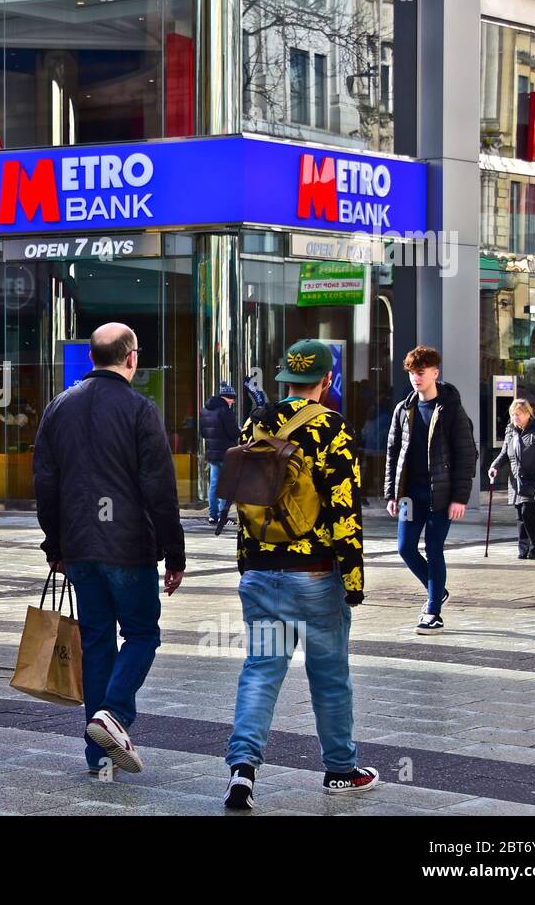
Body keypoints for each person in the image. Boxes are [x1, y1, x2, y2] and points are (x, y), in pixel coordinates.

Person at [223, 339, 376, 810]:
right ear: (326, 381)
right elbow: (344, 510)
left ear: (286, 380)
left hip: (263, 573)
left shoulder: (255, 422)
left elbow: (248, 500)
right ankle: (340, 770)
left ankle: (243, 771)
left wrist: (247, 563)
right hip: (314, 576)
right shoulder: (334, 428)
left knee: (261, 672)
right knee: (329, 676)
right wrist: (353, 581)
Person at [33, 322, 185, 777]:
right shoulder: (140, 410)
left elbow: (45, 483)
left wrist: (54, 545)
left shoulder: (59, 407)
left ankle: (99, 755)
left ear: (93, 358)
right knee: (141, 634)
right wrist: (173, 553)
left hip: (79, 548)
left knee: (97, 641)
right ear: (131, 358)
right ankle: (113, 715)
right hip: (129, 548)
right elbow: (160, 488)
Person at [384, 346, 477, 635]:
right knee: (405, 548)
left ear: (435, 373)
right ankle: (436, 589)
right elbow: (393, 452)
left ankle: (433, 611)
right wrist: (391, 494)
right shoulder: (404, 409)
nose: (415, 377)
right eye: (412, 372)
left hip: (441, 493)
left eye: (421, 372)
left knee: (434, 549)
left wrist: (460, 497)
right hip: (411, 494)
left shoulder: (451, 410)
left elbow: (466, 454)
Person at [488, 399, 535, 559]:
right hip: (516, 479)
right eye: (513, 414)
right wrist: (494, 466)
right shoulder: (510, 432)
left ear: (528, 414)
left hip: (534, 478)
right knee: (520, 516)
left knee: (527, 511)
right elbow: (504, 455)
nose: (515, 417)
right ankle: (524, 548)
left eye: (518, 414)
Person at [199, 381, 238, 526]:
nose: (233, 402)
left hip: (212, 452)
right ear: (227, 398)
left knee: (214, 483)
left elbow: (202, 432)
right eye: (232, 399)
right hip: (226, 452)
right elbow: (233, 432)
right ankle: (223, 515)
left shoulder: (205, 410)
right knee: (225, 484)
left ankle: (212, 515)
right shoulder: (225, 411)